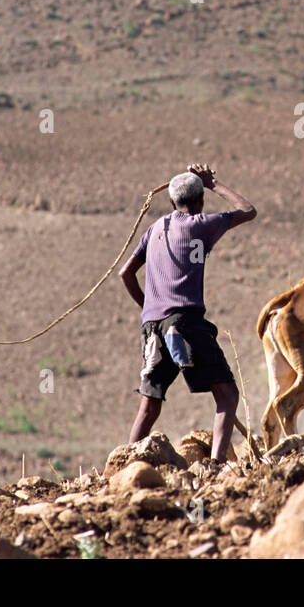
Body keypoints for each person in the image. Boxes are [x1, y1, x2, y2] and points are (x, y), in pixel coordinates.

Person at [119, 163, 257, 465]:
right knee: (227, 396)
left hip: (153, 328)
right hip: (185, 323)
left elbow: (125, 273)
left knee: (149, 406)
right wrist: (213, 183)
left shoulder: (154, 230)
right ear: (201, 202)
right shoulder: (201, 224)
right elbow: (248, 211)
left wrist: (149, 310)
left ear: (171, 203)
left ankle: (126, 466)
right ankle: (216, 467)